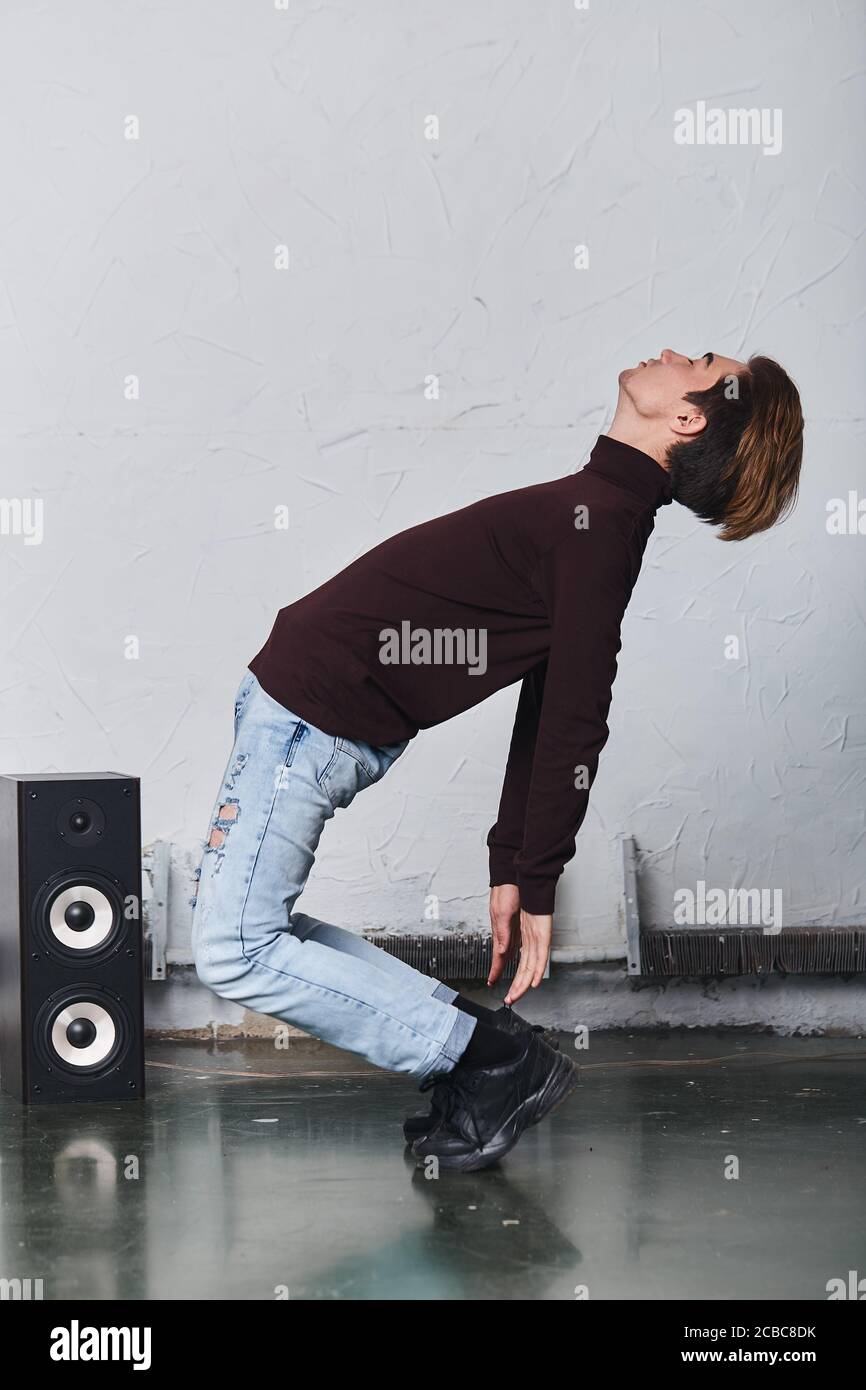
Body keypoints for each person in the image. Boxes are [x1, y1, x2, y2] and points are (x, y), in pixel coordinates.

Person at [191, 348, 804, 1172]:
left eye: (695, 360)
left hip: (311, 723)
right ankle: (482, 1052)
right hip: (300, 713)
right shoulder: (597, 507)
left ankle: (485, 1062)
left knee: (236, 947)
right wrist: (510, 859)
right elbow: (545, 697)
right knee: (262, 933)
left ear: (688, 417)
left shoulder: (604, 526)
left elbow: (577, 716)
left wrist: (538, 868)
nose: (670, 352)